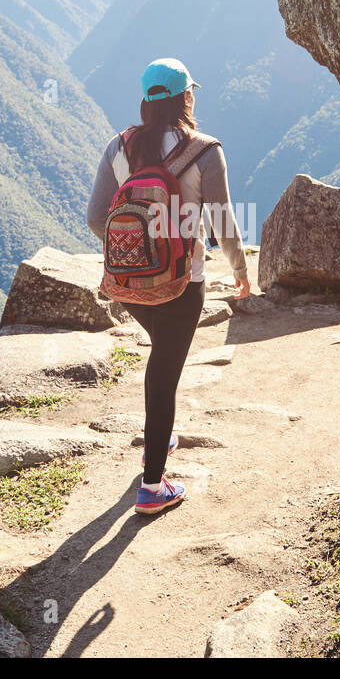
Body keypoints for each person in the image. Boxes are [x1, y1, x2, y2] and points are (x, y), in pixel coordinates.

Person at [86, 57, 250, 515]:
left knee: (162, 357)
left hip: (127, 284)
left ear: (145, 100)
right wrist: (239, 269)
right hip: (183, 281)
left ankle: (160, 437)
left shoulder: (118, 147)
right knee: (164, 372)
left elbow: (96, 218)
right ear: (187, 97)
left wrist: (137, 251)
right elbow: (221, 222)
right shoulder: (204, 150)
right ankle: (152, 485)